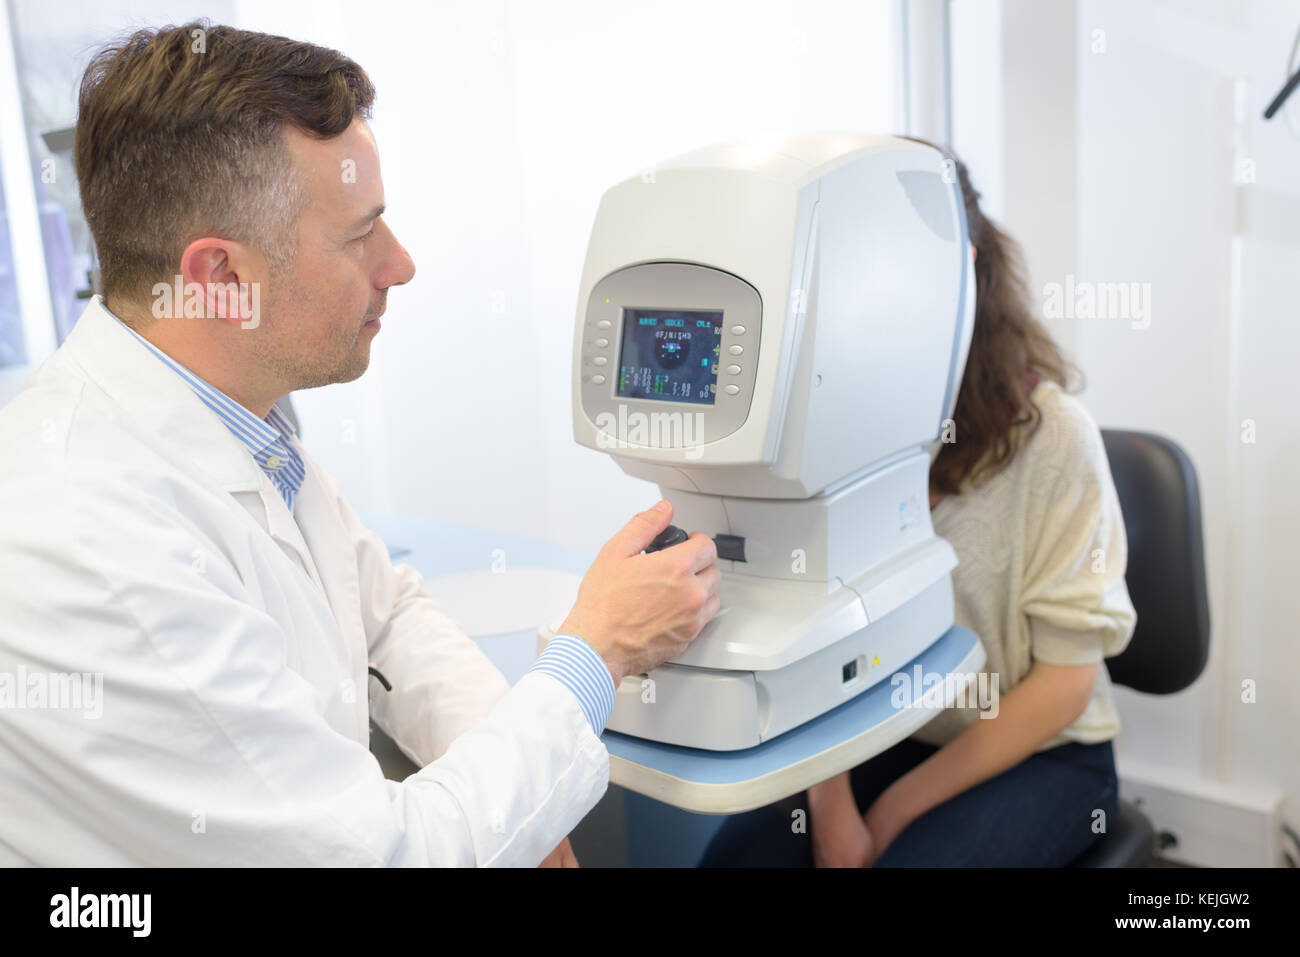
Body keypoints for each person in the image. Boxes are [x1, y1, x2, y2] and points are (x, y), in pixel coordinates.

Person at [0, 22, 720, 867]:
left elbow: (383, 615)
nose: (400, 263)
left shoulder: (235, 415)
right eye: (359, 233)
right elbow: (384, 858)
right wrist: (597, 650)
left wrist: (527, 793)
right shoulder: (90, 540)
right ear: (220, 280)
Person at [700, 140, 1136, 867]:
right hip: (883, 734)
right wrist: (833, 808)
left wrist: (895, 808)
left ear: (961, 273)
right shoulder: (835, 424)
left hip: (1043, 753)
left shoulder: (1055, 436)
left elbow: (1065, 684)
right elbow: (815, 628)